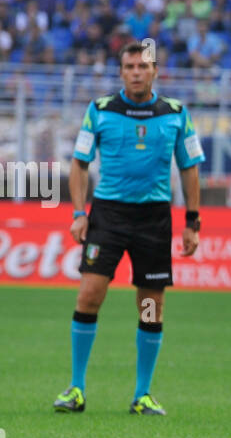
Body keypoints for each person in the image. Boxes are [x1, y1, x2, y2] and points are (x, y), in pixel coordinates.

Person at [53, 41, 204, 415]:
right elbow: (79, 164)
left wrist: (192, 222)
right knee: (89, 294)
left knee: (151, 304)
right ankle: (76, 388)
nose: (136, 72)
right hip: (108, 216)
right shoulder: (101, 110)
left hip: (154, 217)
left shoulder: (176, 113)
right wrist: (78, 212)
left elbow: (189, 167)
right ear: (121, 72)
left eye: (143, 66)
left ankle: (142, 394)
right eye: (129, 66)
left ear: (155, 71)